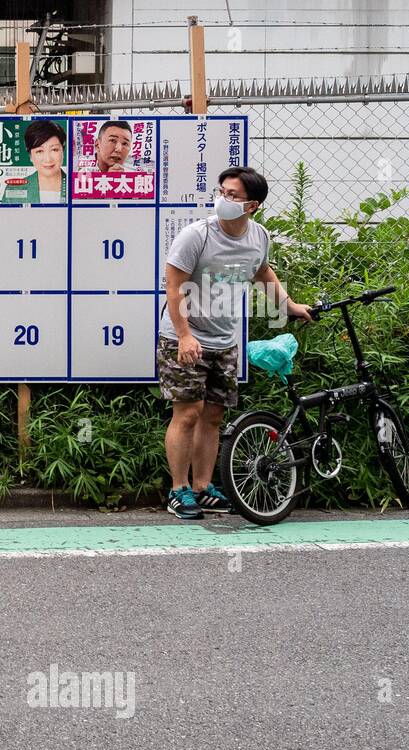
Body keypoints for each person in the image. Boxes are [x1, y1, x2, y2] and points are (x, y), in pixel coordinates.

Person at [159, 166, 311, 519]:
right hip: (184, 336)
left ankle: (203, 487)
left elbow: (262, 271)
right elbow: (173, 286)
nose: (222, 199)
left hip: (226, 339)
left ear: (252, 205)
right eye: (222, 191)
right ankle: (178, 490)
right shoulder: (196, 235)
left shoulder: (258, 236)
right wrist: (183, 335)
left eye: (232, 195)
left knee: (213, 416)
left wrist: (288, 306)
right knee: (188, 413)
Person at [16, 120, 67, 203]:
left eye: (54, 150)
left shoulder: (76, 187)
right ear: (30, 155)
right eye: (39, 151)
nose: (48, 159)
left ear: (63, 151)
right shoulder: (16, 188)